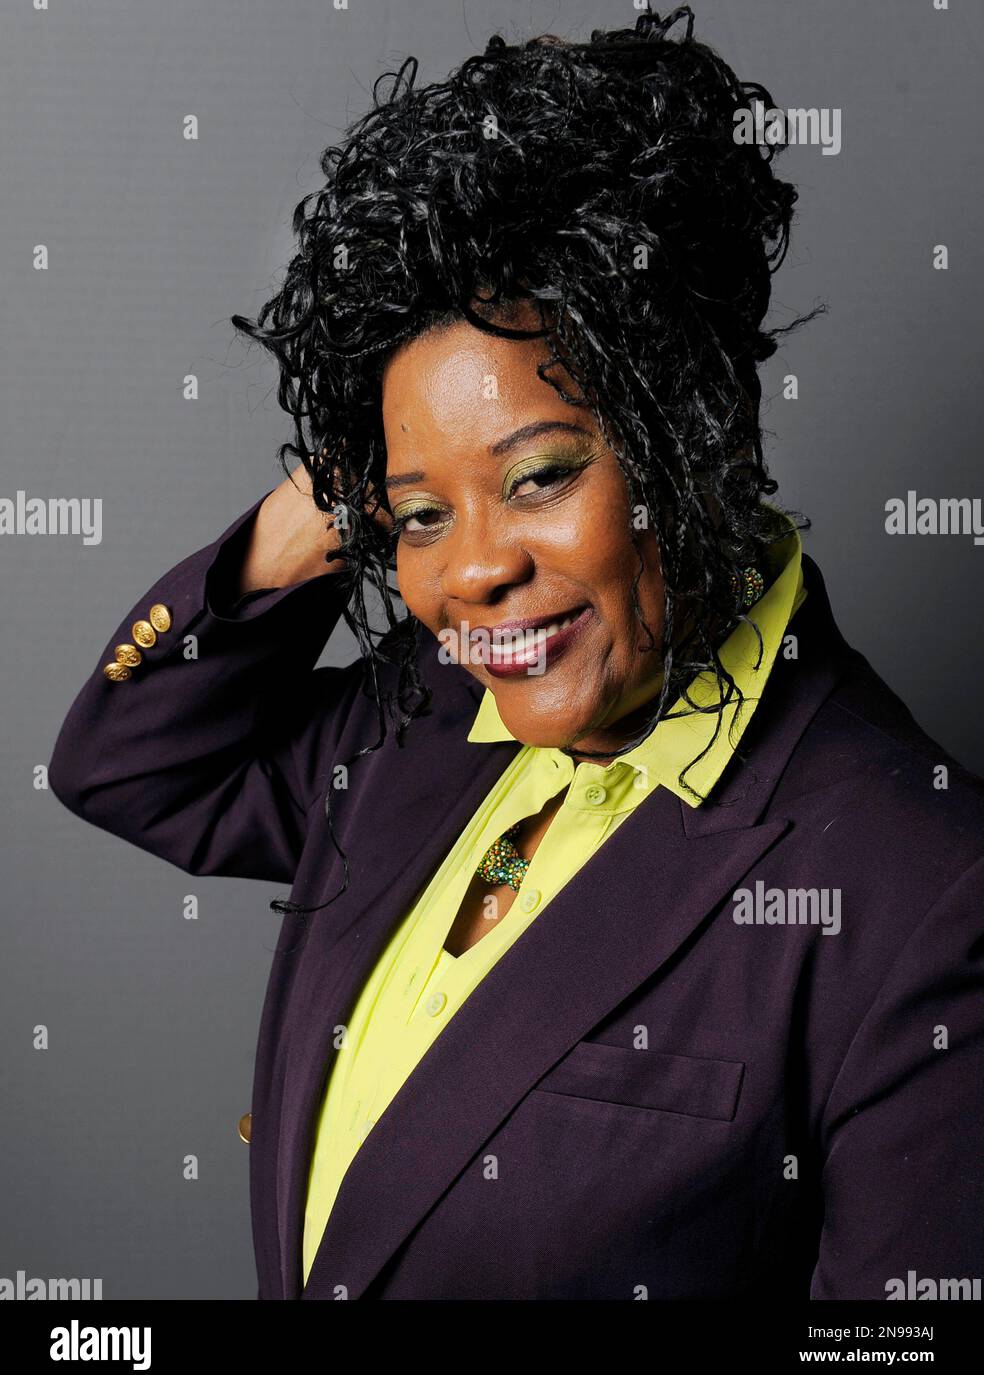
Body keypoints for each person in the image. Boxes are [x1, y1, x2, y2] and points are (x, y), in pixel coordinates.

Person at [49, 7, 984, 1301]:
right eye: (422, 515)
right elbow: (129, 762)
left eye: (539, 475)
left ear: (698, 426)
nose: (472, 567)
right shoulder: (414, 726)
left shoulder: (921, 892)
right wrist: (336, 496)